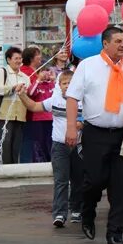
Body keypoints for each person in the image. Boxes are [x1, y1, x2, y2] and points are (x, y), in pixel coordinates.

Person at [65, 26, 123, 244]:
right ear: (105, 43)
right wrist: (72, 128)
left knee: (122, 184)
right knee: (94, 180)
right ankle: (88, 212)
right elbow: (73, 97)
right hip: (95, 133)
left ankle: (115, 231)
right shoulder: (88, 66)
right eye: (118, 41)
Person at [18, 70, 84, 227]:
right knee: (61, 181)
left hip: (79, 146)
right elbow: (34, 106)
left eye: (70, 83)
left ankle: (76, 209)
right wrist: (22, 95)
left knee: (78, 180)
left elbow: (89, 120)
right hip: (59, 145)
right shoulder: (54, 100)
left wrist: (81, 124)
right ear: (59, 85)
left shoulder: (83, 101)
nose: (67, 86)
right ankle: (59, 214)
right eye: (64, 83)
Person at [0, 47, 30, 164]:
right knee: (5, 142)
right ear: (8, 60)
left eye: (20, 58)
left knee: (16, 144)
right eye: (15, 58)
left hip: (20, 114)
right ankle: (3, 169)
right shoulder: (2, 71)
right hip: (4, 114)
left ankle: (14, 169)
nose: (18, 61)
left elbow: (27, 94)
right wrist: (13, 88)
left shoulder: (25, 77)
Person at [25, 66, 56, 162]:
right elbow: (30, 93)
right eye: (43, 72)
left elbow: (59, 93)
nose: (46, 74)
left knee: (50, 142)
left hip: (51, 119)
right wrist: (38, 80)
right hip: (38, 119)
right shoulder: (36, 84)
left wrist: (54, 80)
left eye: (48, 72)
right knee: (38, 142)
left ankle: (51, 160)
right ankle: (38, 161)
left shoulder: (52, 85)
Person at [19, 47, 43, 163]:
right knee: (28, 139)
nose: (41, 57)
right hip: (29, 112)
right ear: (31, 58)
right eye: (38, 54)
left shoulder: (35, 71)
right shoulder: (25, 71)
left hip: (38, 112)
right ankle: (25, 163)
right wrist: (39, 80)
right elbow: (30, 92)